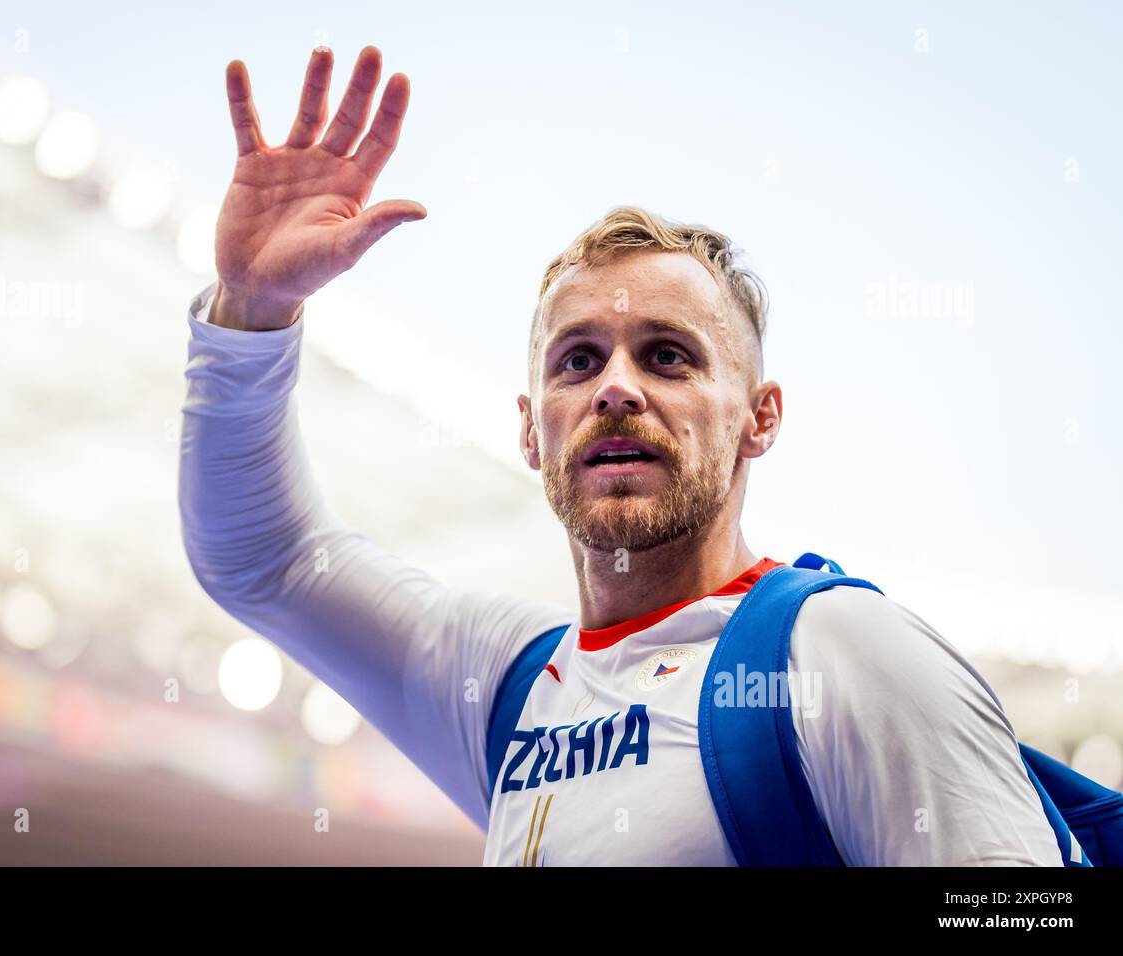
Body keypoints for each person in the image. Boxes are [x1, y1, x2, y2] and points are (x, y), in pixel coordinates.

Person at [179, 45, 1062, 866]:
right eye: (579, 360)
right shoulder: (505, 688)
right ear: (532, 431)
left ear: (761, 418)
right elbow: (267, 560)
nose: (616, 388)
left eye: (667, 354)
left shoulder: (841, 654)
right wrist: (249, 314)